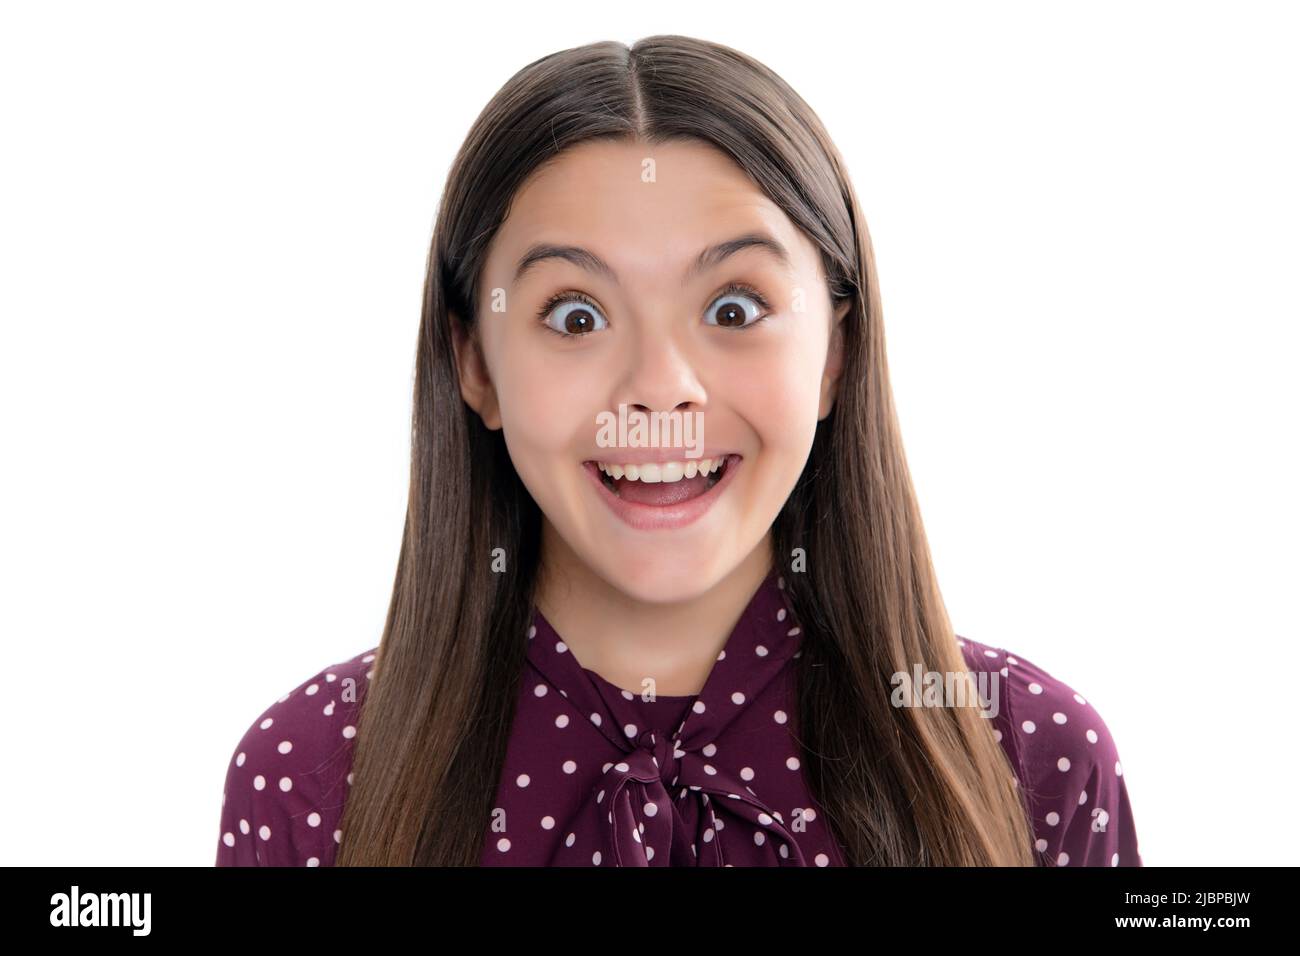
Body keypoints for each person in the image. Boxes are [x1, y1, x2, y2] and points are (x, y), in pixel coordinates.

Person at [215, 34, 1141, 867]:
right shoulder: (307, 782)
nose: (660, 387)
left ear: (835, 356)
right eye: (575, 315)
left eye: (734, 308)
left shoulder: (1033, 757)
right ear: (476, 366)